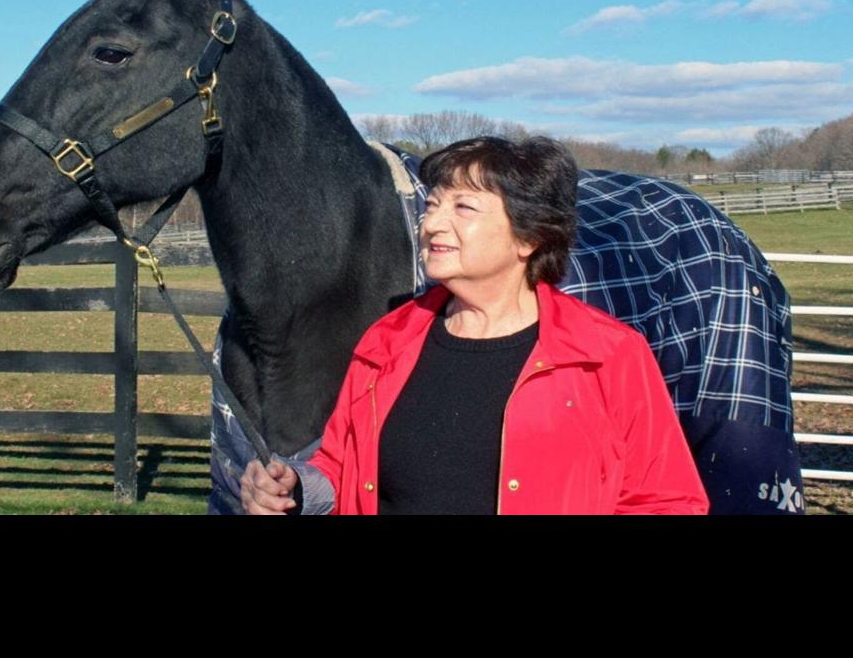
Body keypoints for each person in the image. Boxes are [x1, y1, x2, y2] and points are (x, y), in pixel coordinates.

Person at [239, 136, 708, 515]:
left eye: (463, 208)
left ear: (530, 236)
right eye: (432, 205)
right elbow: (343, 468)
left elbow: (667, 501)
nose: (432, 224)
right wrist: (296, 489)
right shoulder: (387, 342)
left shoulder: (606, 354)